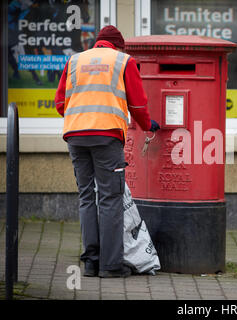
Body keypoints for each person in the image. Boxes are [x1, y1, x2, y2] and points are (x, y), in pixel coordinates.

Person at [54, 25, 160, 278]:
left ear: (98, 43)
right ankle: (110, 266)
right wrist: (148, 125)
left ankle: (91, 262)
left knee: (86, 196)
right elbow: (137, 103)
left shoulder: (75, 60)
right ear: (119, 45)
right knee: (110, 199)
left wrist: (81, 118)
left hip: (75, 135)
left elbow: (60, 103)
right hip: (106, 136)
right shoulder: (124, 61)